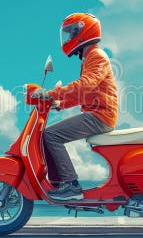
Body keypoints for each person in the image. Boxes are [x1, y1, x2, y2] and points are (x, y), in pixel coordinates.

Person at [36, 12, 118, 201]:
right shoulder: (90, 57)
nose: (68, 38)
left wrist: (51, 93)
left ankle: (71, 185)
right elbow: (84, 93)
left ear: (84, 32)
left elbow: (86, 84)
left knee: (50, 135)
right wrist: (60, 103)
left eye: (71, 32)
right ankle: (59, 183)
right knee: (47, 134)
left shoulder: (97, 56)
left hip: (100, 116)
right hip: (97, 113)